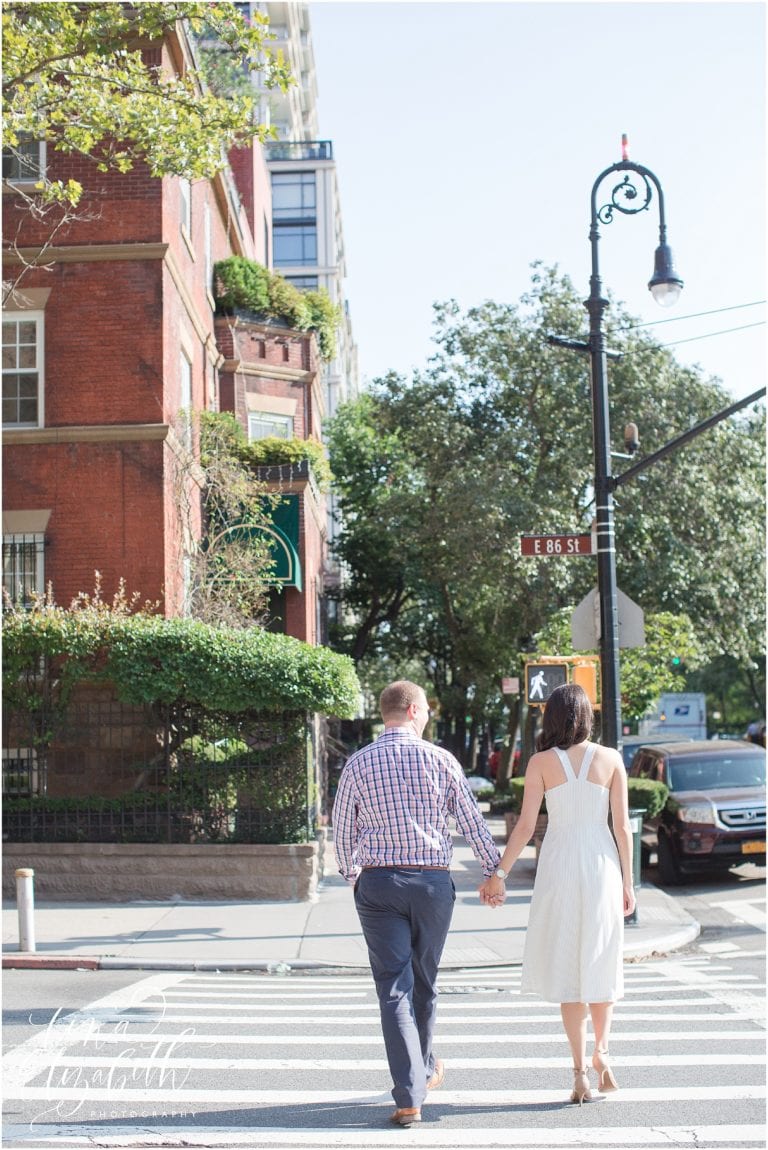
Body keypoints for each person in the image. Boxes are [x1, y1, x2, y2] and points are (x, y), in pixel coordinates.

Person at [333, 679, 502, 1127]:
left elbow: (342, 830)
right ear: (411, 710)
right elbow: (471, 821)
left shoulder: (358, 763)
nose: (427, 715)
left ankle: (412, 1090)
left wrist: (353, 877)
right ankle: (421, 1073)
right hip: (431, 885)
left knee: (393, 987)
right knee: (424, 980)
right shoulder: (441, 760)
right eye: (425, 708)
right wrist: (494, 872)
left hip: (379, 885)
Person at [479, 683, 635, 1105]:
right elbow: (622, 828)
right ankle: (604, 1051)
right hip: (601, 863)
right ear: (587, 716)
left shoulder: (541, 763)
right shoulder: (611, 760)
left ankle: (579, 1072)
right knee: (602, 959)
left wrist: (500, 872)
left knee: (570, 970)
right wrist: (628, 882)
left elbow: (526, 827)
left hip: (561, 863)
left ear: (551, 718)